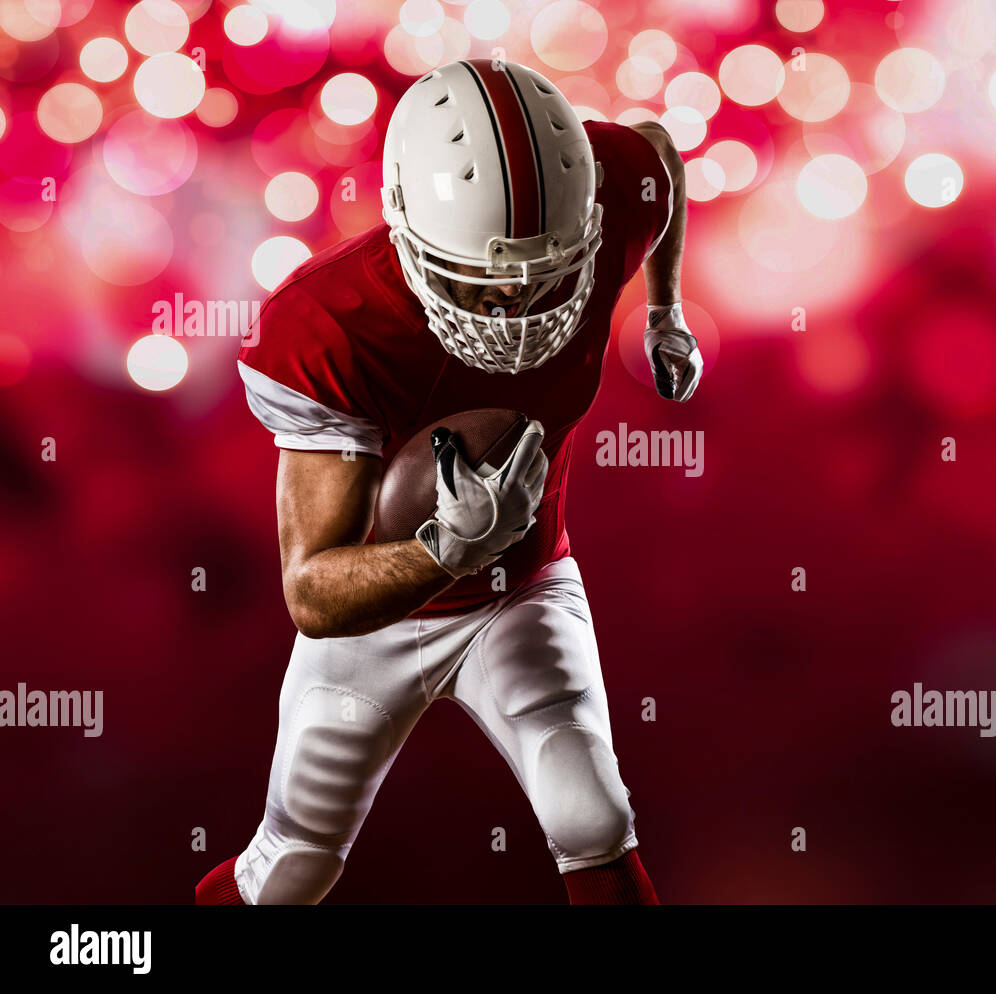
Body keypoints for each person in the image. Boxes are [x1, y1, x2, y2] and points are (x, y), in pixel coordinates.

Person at [194, 58, 701, 905]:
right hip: (380, 623)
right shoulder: (330, 327)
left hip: (524, 584)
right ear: (403, 224)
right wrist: (445, 552)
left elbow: (658, 154)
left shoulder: (614, 197)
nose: (520, 301)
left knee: (592, 816)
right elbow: (313, 592)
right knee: (291, 869)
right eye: (490, 276)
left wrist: (664, 311)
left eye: (546, 271)